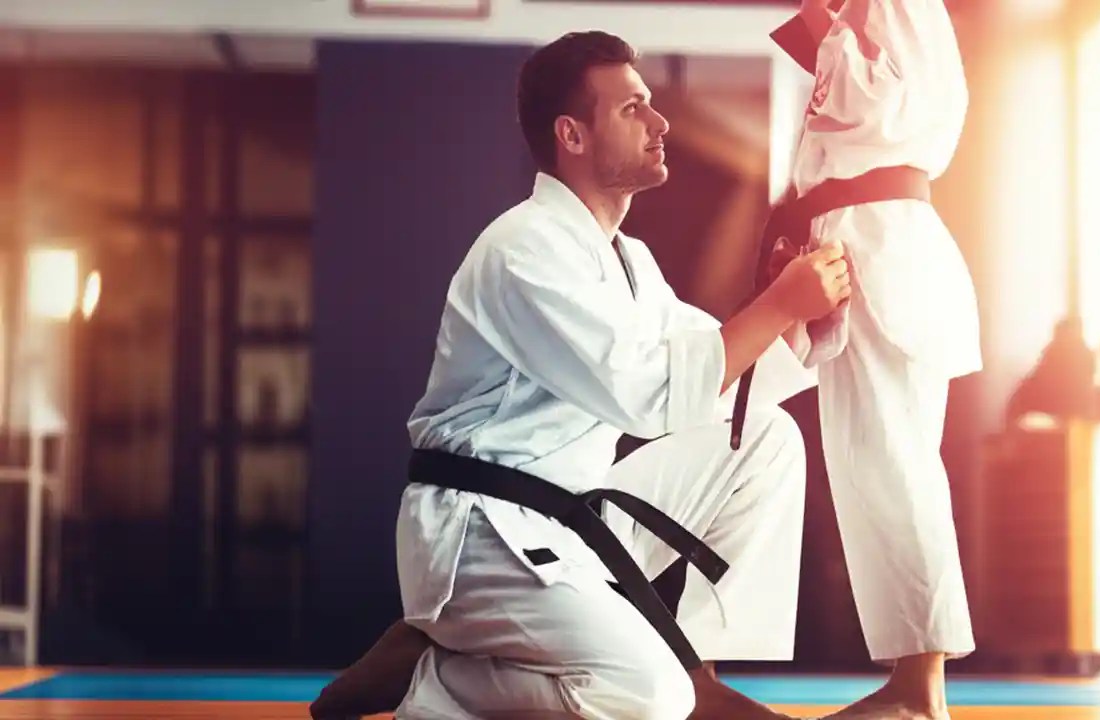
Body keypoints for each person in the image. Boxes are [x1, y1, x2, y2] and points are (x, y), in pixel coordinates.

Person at [309, 30, 851, 720]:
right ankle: (439, 680)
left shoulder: (629, 260)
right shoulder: (522, 248)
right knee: (648, 698)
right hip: (483, 536)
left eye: (651, 104)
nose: (660, 123)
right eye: (632, 109)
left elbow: (707, 383)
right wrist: (776, 305)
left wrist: (792, 320)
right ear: (572, 134)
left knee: (766, 439)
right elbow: (653, 396)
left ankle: (700, 672)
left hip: (573, 518)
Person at [758, 0, 983, 718]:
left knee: (892, 461)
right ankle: (913, 682)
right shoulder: (864, 17)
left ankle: (920, 690)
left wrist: (828, 28)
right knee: (874, 461)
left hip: (881, 239)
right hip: (867, 233)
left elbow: (893, 108)